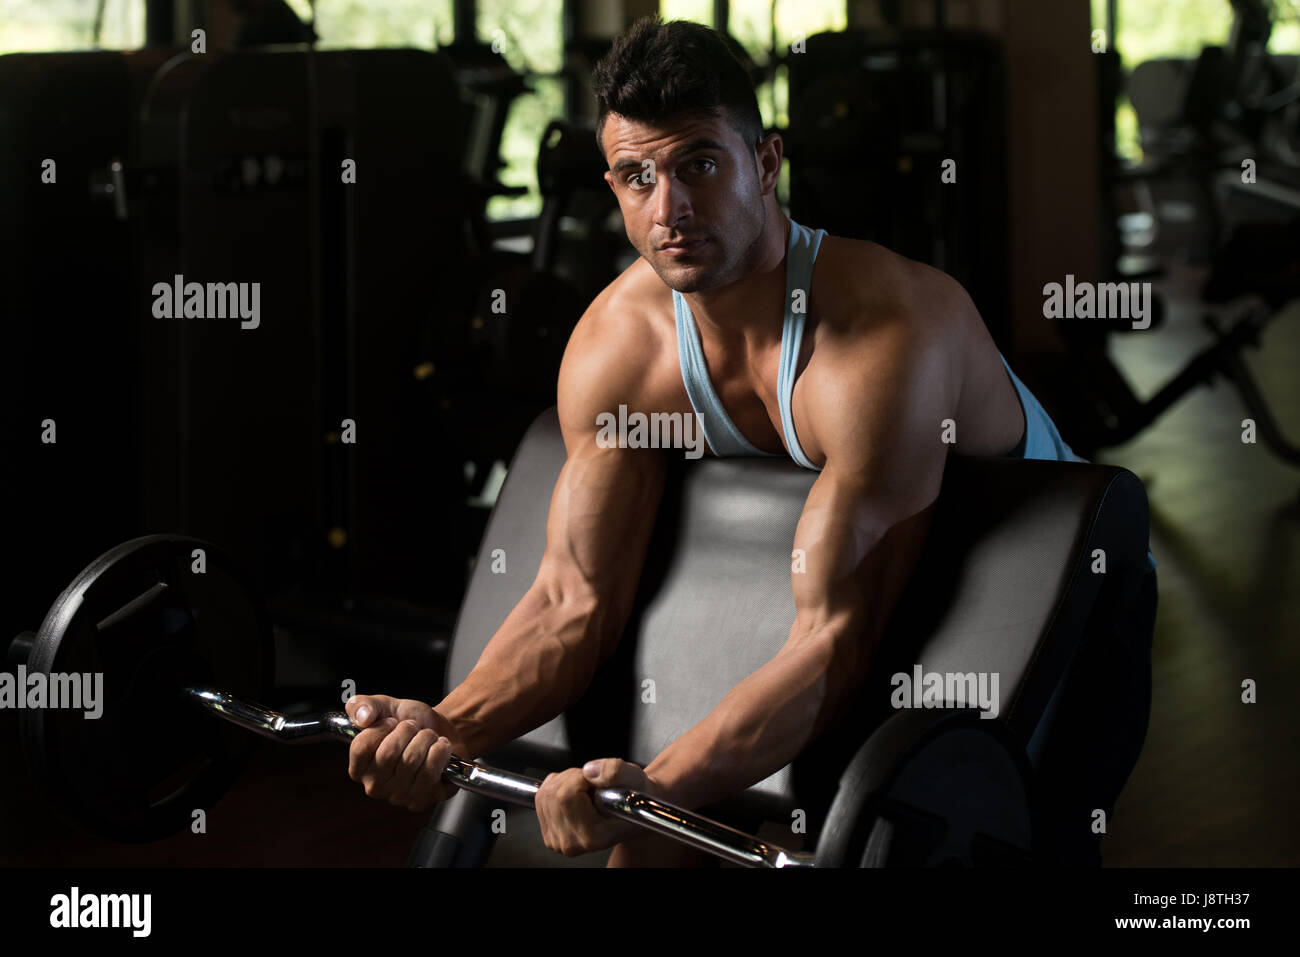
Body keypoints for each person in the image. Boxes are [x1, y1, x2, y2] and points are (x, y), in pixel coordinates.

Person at [346, 16, 1157, 867]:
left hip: (1049, 604)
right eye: (637, 176)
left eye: (700, 163)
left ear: (765, 163)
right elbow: (571, 601)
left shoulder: (882, 335)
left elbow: (833, 639)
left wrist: (653, 794)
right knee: (650, 851)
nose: (672, 209)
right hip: (855, 595)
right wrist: (443, 728)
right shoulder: (618, 346)